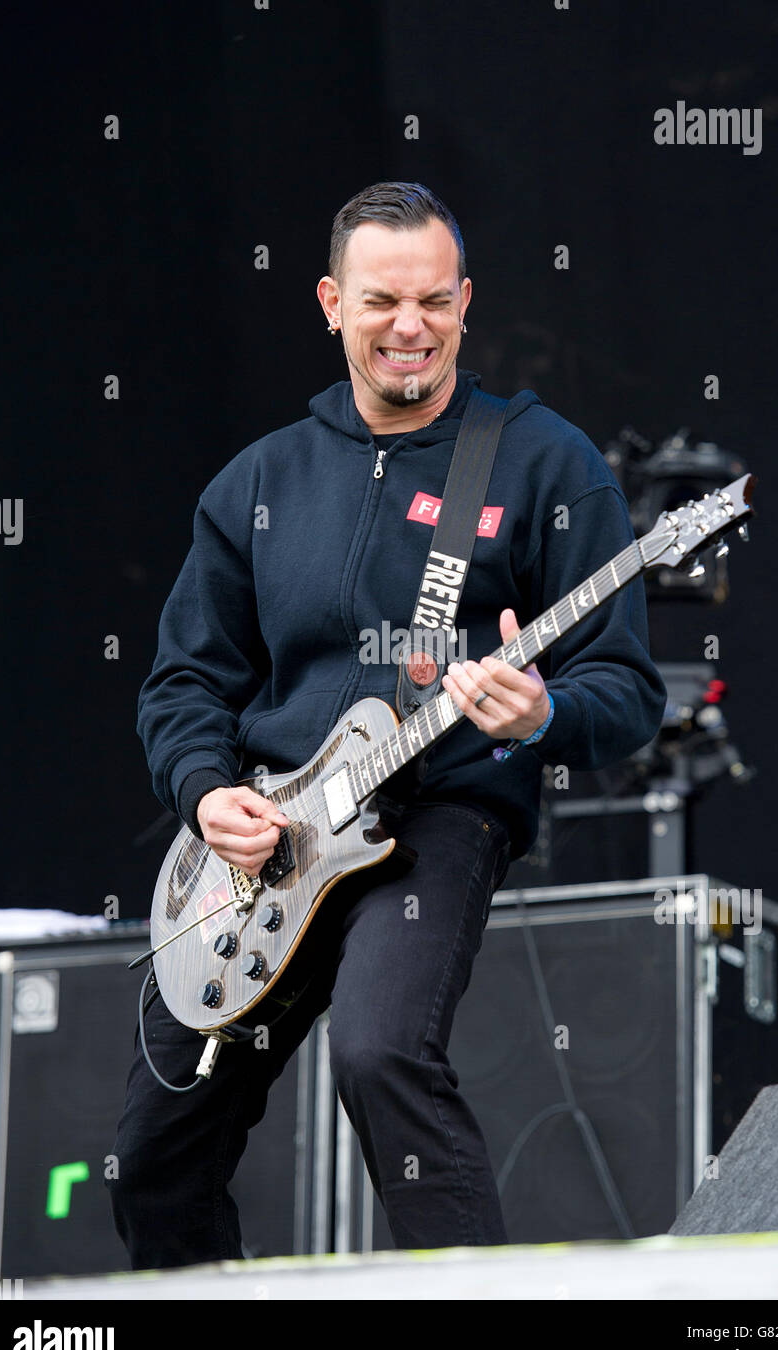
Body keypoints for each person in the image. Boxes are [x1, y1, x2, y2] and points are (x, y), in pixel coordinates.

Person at [107, 181, 667, 1268]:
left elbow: (628, 691)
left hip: (438, 813)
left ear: (466, 302)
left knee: (379, 1055)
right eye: (380, 301)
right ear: (329, 302)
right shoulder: (259, 480)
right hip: (268, 846)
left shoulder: (542, 462)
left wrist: (543, 710)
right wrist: (203, 789)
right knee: (152, 1152)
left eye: (432, 300)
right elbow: (183, 683)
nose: (409, 326)